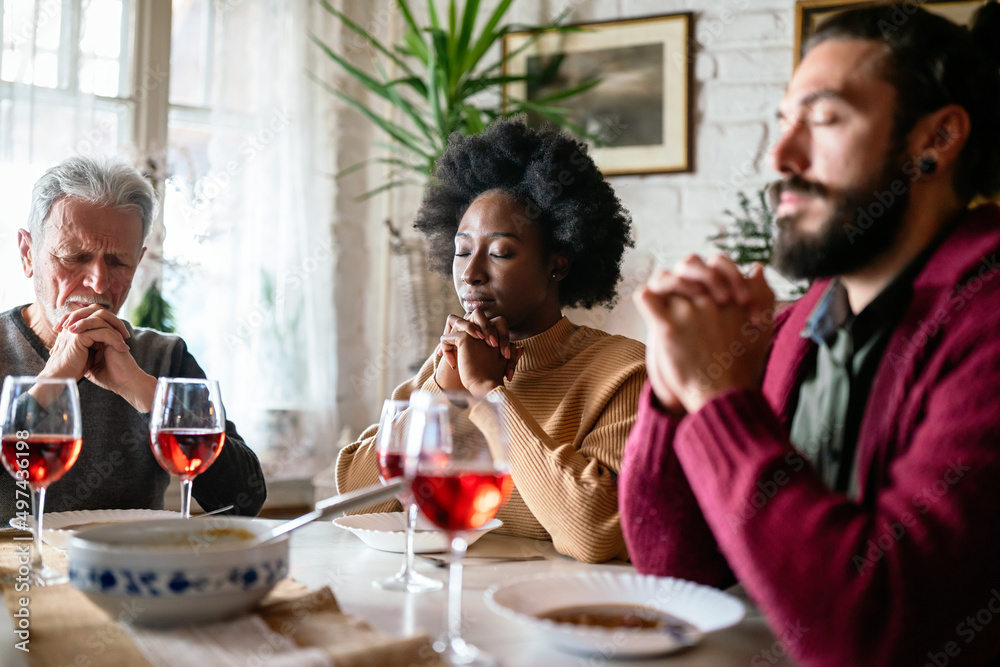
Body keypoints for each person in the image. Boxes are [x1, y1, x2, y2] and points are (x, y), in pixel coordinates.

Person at [621, 3, 1000, 665]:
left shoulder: (985, 320)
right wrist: (674, 387)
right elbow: (679, 572)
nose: (781, 156)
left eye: (824, 119)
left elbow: (876, 632)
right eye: (782, 122)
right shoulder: (802, 321)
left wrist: (717, 401)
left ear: (936, 139)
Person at [336, 119, 645, 563]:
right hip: (446, 604)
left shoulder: (624, 372)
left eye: (500, 252)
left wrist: (486, 395)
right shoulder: (452, 362)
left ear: (557, 265)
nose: (470, 272)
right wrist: (441, 390)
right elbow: (360, 502)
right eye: (463, 250)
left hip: (552, 615)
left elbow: (594, 531)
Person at [0, 155, 266, 523]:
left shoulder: (164, 356)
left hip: (131, 574)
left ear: (138, 262)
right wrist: (50, 384)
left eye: (118, 263)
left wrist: (146, 392)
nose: (98, 282)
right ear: (28, 254)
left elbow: (245, 499)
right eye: (75, 257)